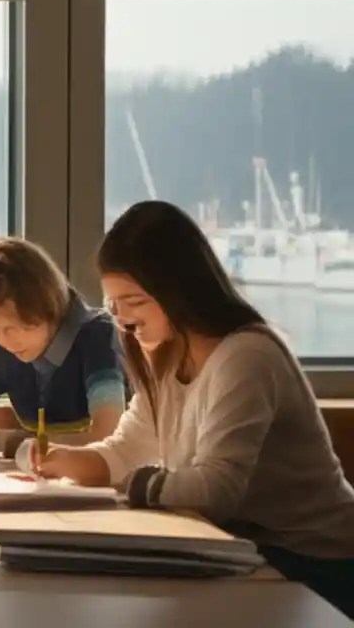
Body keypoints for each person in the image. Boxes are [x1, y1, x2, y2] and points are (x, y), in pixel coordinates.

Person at [31, 200, 354, 619]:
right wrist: (64, 461)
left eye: (135, 302)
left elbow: (216, 490)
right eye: (114, 304)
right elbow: (127, 450)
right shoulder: (166, 356)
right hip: (247, 551)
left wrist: (136, 484)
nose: (123, 319)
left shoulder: (247, 357)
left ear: (178, 291)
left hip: (316, 562)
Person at [0, 237, 126, 461]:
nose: (3, 340)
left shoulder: (100, 337)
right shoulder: (2, 347)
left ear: (44, 304)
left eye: (11, 327)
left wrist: (0, 440)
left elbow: (107, 438)